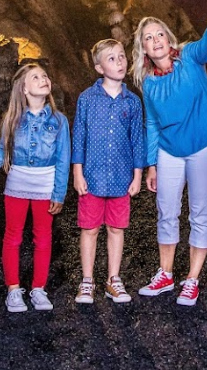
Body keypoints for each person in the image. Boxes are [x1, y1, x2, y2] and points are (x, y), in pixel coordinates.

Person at [134, 0, 207, 306]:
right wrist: (152, 164)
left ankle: (191, 279)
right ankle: (165, 275)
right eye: (149, 38)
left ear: (169, 37)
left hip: (204, 143)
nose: (156, 40)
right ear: (144, 49)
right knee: (166, 212)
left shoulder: (189, 57)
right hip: (169, 150)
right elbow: (151, 123)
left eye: (160, 34)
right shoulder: (148, 82)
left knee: (199, 213)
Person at [0, 62, 70, 313]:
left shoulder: (59, 121)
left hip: (46, 184)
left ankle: (39, 289)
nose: (43, 79)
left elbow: (63, 158)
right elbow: (2, 152)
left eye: (45, 76)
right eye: (36, 77)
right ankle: (13, 289)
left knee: (43, 237)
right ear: (23, 89)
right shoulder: (12, 119)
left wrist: (59, 192)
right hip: (17, 184)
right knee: (13, 235)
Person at [71, 39, 146, 305]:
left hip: (121, 177)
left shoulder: (133, 102)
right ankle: (87, 280)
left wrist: (137, 175)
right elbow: (79, 136)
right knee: (89, 229)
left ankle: (113, 280)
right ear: (99, 67)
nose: (120, 62)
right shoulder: (87, 99)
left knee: (116, 228)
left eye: (122, 57)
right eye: (112, 58)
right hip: (91, 177)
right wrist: (77, 173)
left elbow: (138, 139)